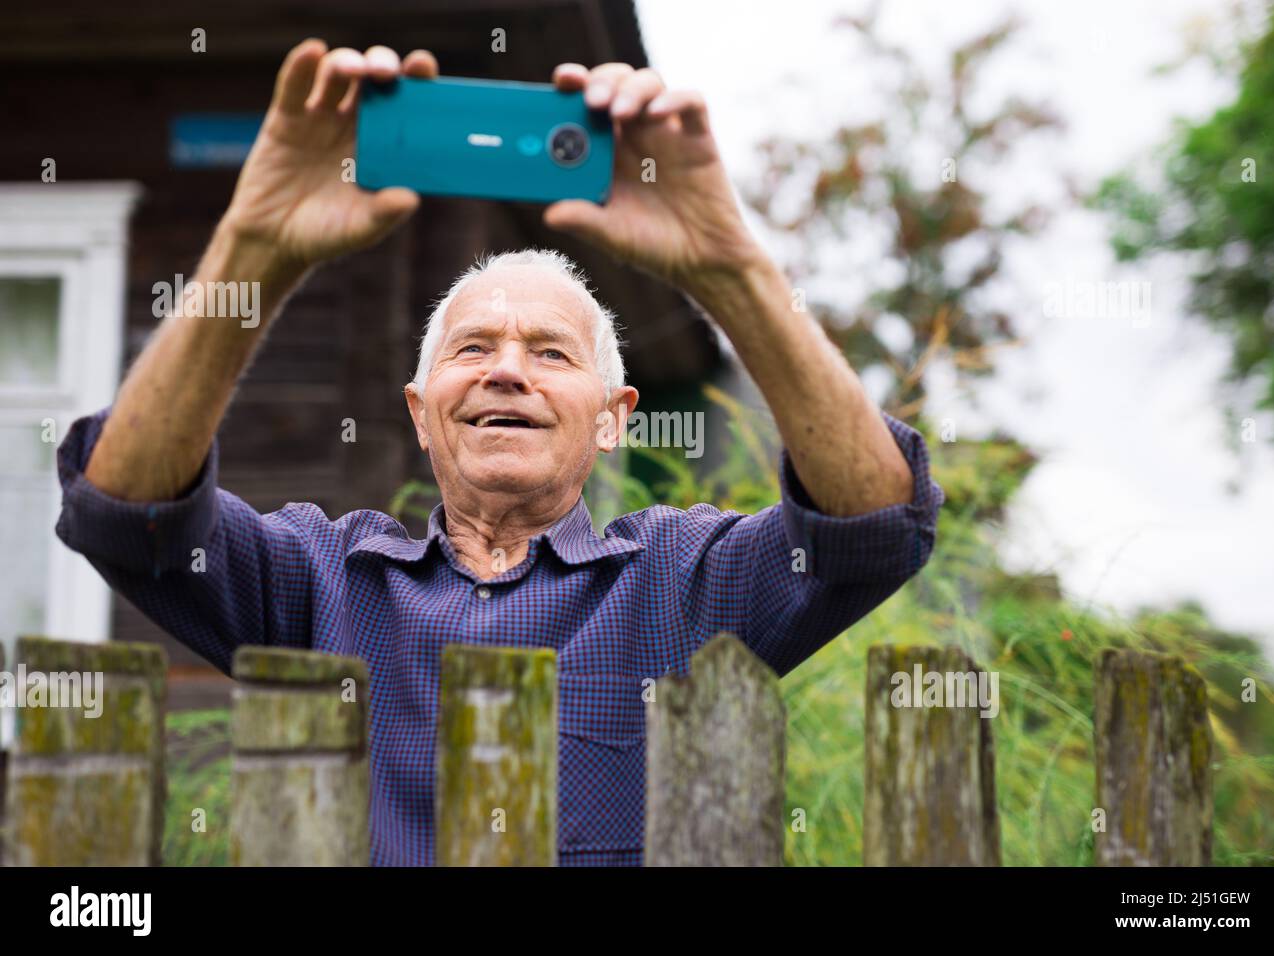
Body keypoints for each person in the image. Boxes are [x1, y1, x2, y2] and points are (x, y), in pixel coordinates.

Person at [55, 40, 944, 865]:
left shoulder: (681, 584)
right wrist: (258, 245)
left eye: (551, 353)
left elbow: (872, 523)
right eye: (472, 349)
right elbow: (123, 513)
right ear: (420, 409)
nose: (506, 372)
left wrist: (728, 267)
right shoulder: (317, 582)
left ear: (612, 418)